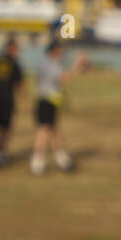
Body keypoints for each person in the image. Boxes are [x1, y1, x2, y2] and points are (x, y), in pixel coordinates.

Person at [30, 39, 88, 176]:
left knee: (52, 130)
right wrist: (77, 67)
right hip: (47, 100)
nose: (62, 52)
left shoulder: (45, 63)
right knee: (44, 130)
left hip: (46, 99)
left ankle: (62, 159)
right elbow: (63, 79)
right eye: (60, 49)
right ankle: (37, 161)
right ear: (54, 51)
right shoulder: (52, 64)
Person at [0, 37, 24, 166]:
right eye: (15, 48)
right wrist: (27, 102)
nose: (17, 51)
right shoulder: (13, 63)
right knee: (6, 129)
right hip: (7, 100)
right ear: (10, 48)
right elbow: (19, 85)